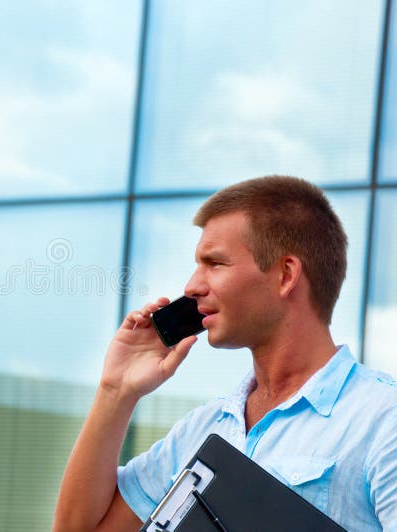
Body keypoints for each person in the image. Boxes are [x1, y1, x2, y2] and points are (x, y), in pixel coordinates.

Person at [53, 175, 397, 531]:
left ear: (285, 275)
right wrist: (116, 391)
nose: (192, 286)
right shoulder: (201, 430)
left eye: (214, 263)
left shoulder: (383, 420)